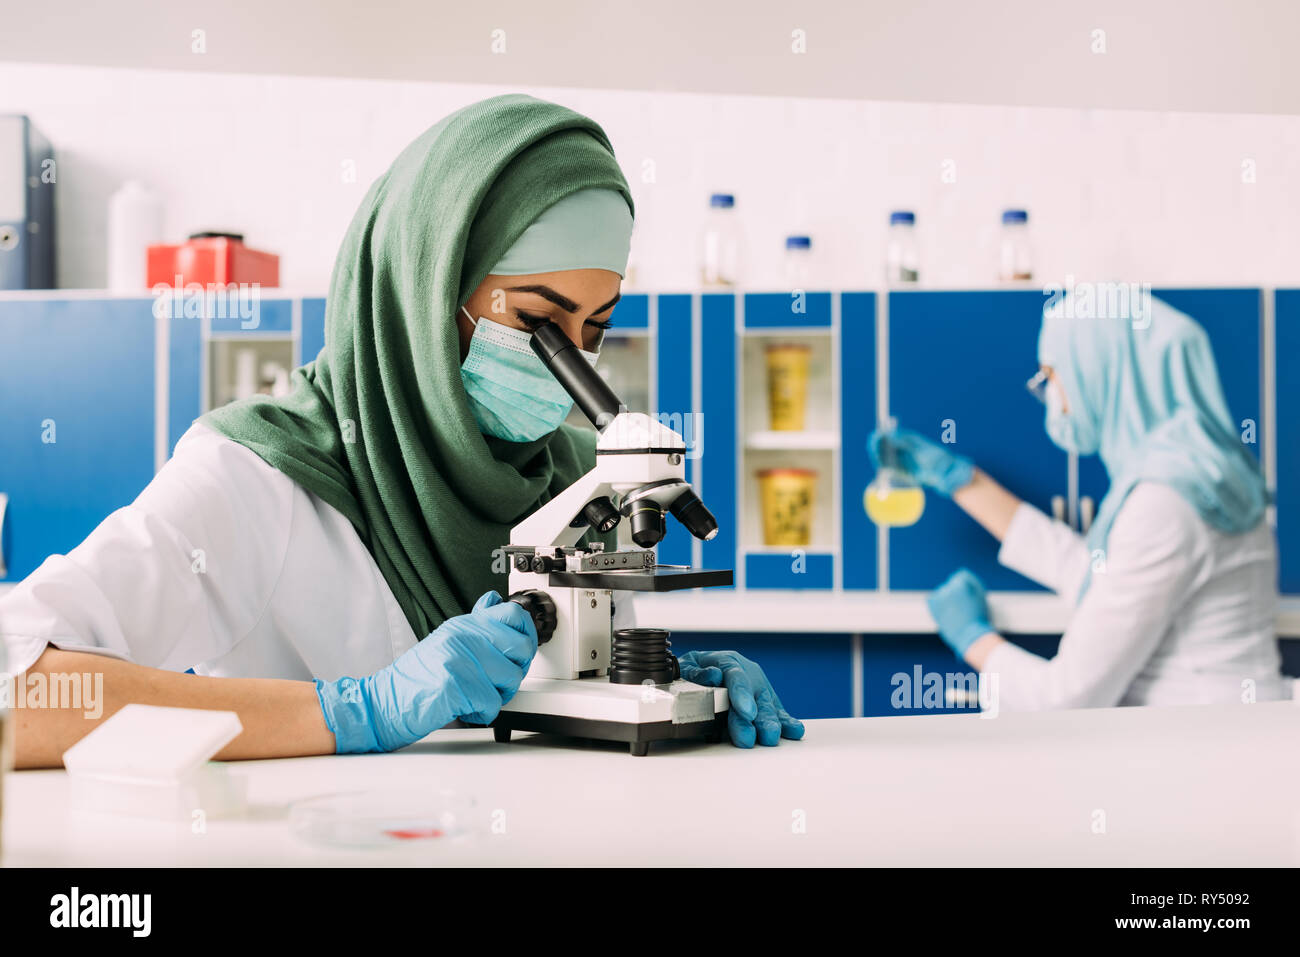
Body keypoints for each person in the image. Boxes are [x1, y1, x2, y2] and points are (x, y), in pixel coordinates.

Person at [3, 94, 803, 768]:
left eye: (594, 329)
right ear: (423, 288)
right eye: (537, 322)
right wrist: (355, 711)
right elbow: (18, 691)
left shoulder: (567, 483)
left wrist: (658, 685)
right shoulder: (260, 477)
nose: (570, 368)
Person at [871, 294, 1285, 710]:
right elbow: (1104, 575)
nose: (1050, 394)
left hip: (1200, 742)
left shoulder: (1164, 501)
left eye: (1052, 375)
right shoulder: (1206, 470)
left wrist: (973, 638)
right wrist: (961, 481)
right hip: (1237, 725)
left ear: (1101, 372)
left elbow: (1067, 698)